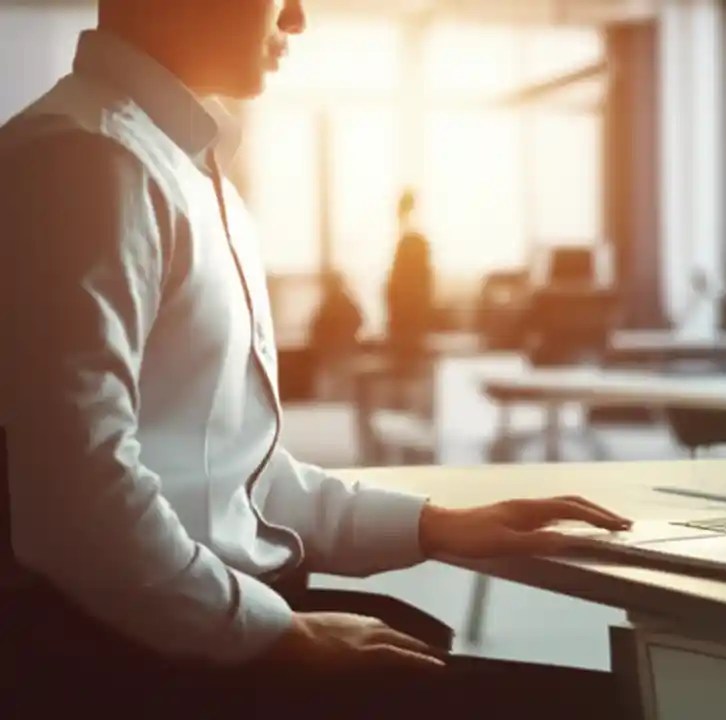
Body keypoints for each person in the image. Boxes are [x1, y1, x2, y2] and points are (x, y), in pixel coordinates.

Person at [0, 1, 631, 717]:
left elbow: (239, 482)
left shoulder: (184, 170)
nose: (297, 19)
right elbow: (76, 509)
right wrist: (277, 635)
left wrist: (434, 523)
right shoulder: (84, 159)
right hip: (132, 653)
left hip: (205, 616)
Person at [386, 190, 435, 367]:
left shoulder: (413, 241)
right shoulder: (408, 240)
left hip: (410, 318)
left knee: (409, 364)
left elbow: (421, 284)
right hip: (406, 319)